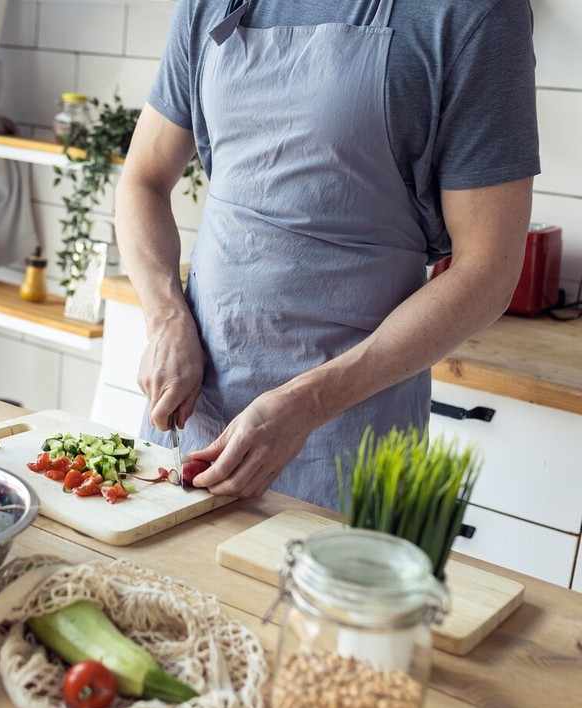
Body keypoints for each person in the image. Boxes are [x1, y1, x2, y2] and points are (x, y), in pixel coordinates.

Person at [114, 0, 540, 509]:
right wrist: (165, 319)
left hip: (348, 431)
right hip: (192, 414)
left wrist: (307, 402)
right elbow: (142, 179)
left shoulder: (475, 12)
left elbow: (487, 271)